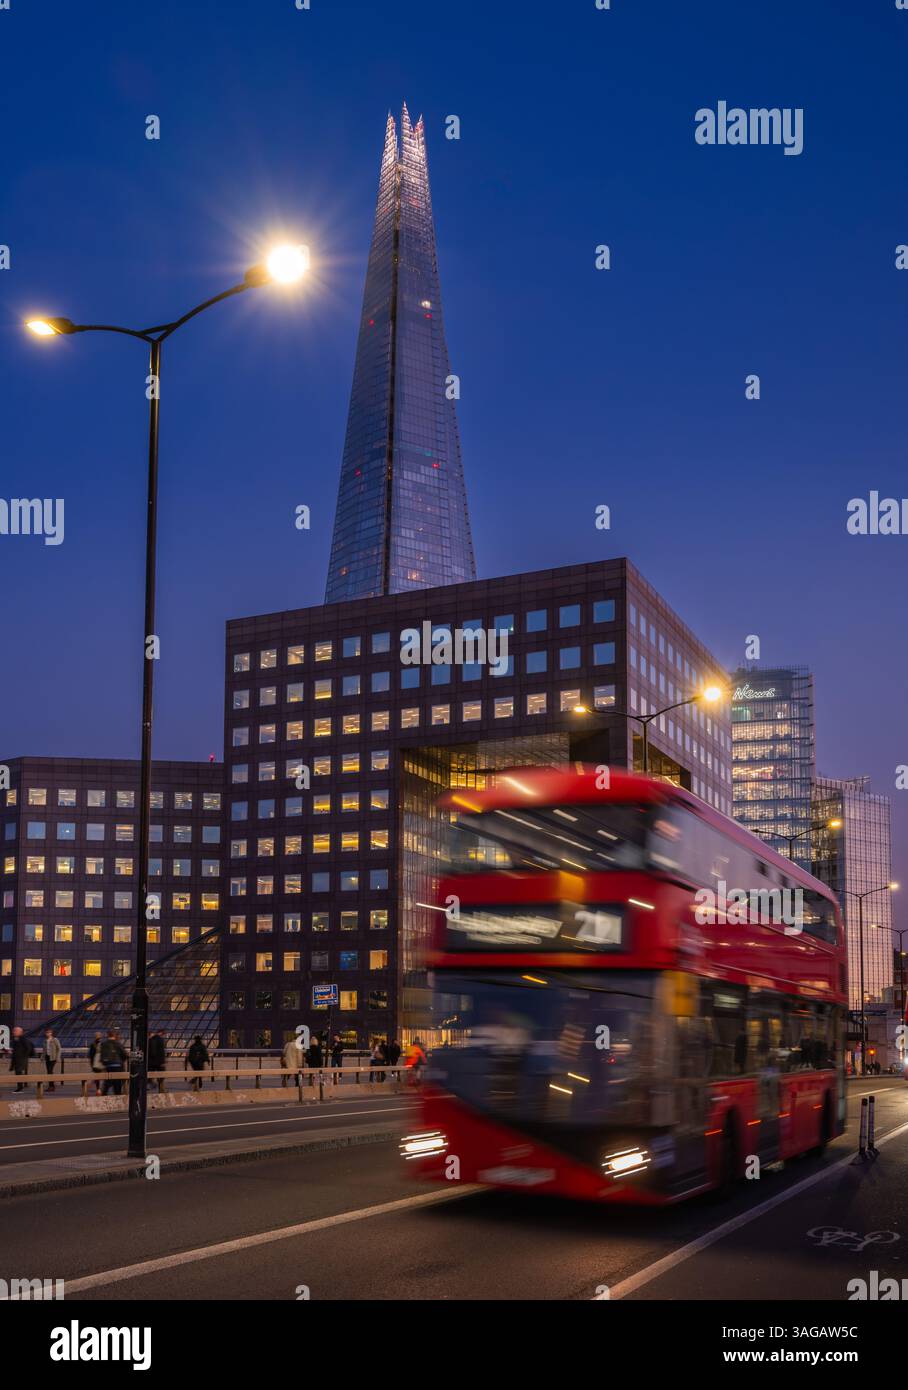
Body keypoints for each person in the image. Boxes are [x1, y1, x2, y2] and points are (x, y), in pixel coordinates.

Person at [99, 1030, 127, 1096]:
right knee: (117, 1084)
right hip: (118, 1066)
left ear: (108, 1035)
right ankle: (118, 1097)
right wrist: (121, 1061)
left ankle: (103, 1096)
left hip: (108, 1066)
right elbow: (124, 1054)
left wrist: (104, 1063)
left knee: (107, 1082)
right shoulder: (118, 1044)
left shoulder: (104, 1044)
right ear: (114, 1035)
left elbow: (102, 1055)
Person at [10, 1027, 34, 1092]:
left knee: (19, 1073)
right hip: (17, 1060)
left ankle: (20, 1088)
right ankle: (19, 1087)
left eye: (15, 1031)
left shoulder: (23, 1039)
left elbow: (28, 1048)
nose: (13, 1032)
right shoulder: (16, 1039)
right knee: (18, 1073)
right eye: (13, 1030)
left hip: (21, 1060)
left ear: (20, 1032)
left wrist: (23, 1056)